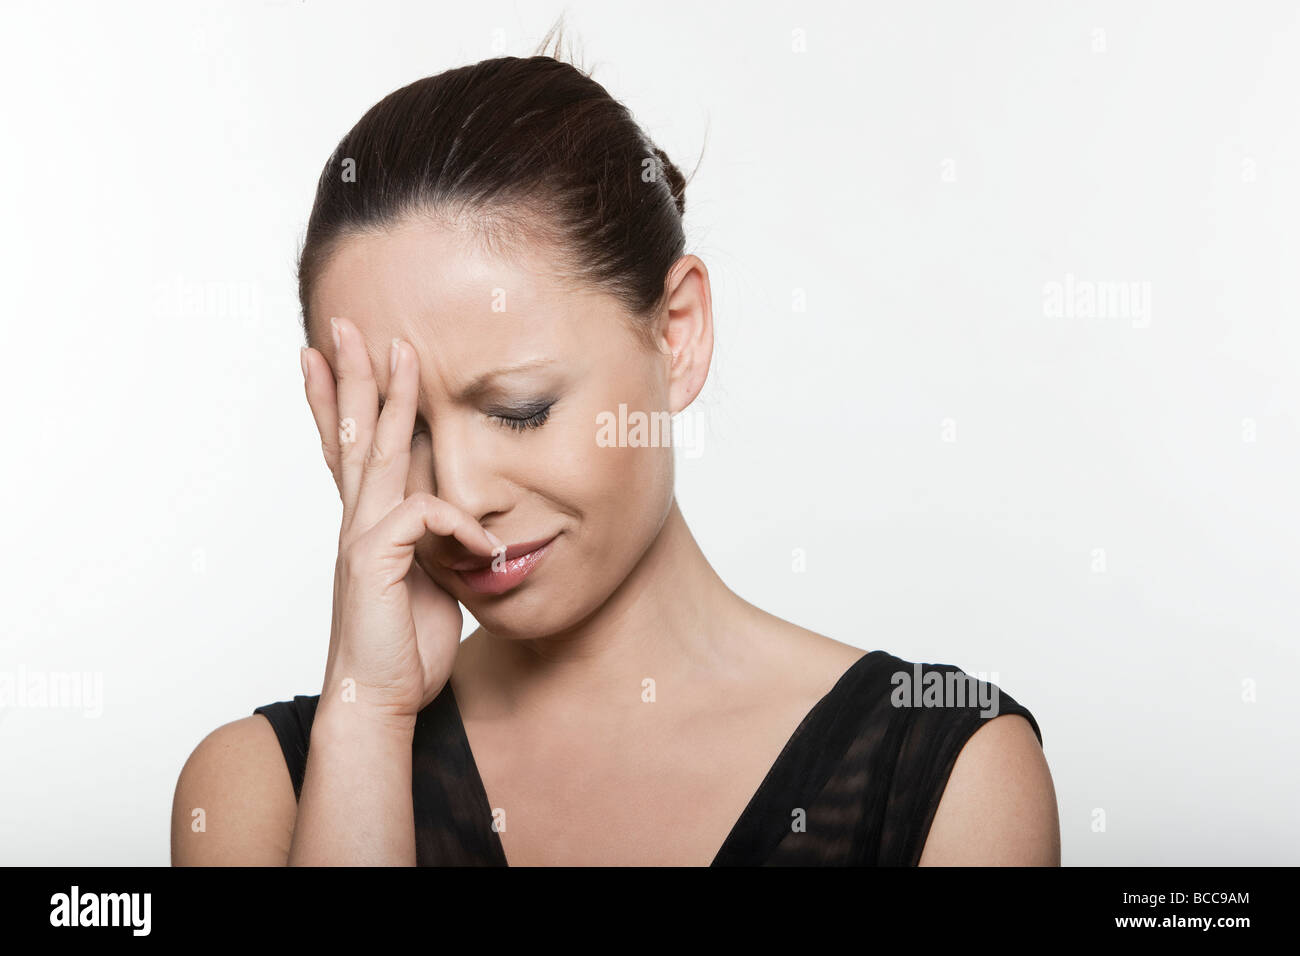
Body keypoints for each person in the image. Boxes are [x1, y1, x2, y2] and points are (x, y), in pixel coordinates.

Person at [171, 26, 1059, 867]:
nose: (464, 492)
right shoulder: (260, 788)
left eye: (520, 409)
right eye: (402, 432)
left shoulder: (951, 774)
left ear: (676, 334)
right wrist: (366, 723)